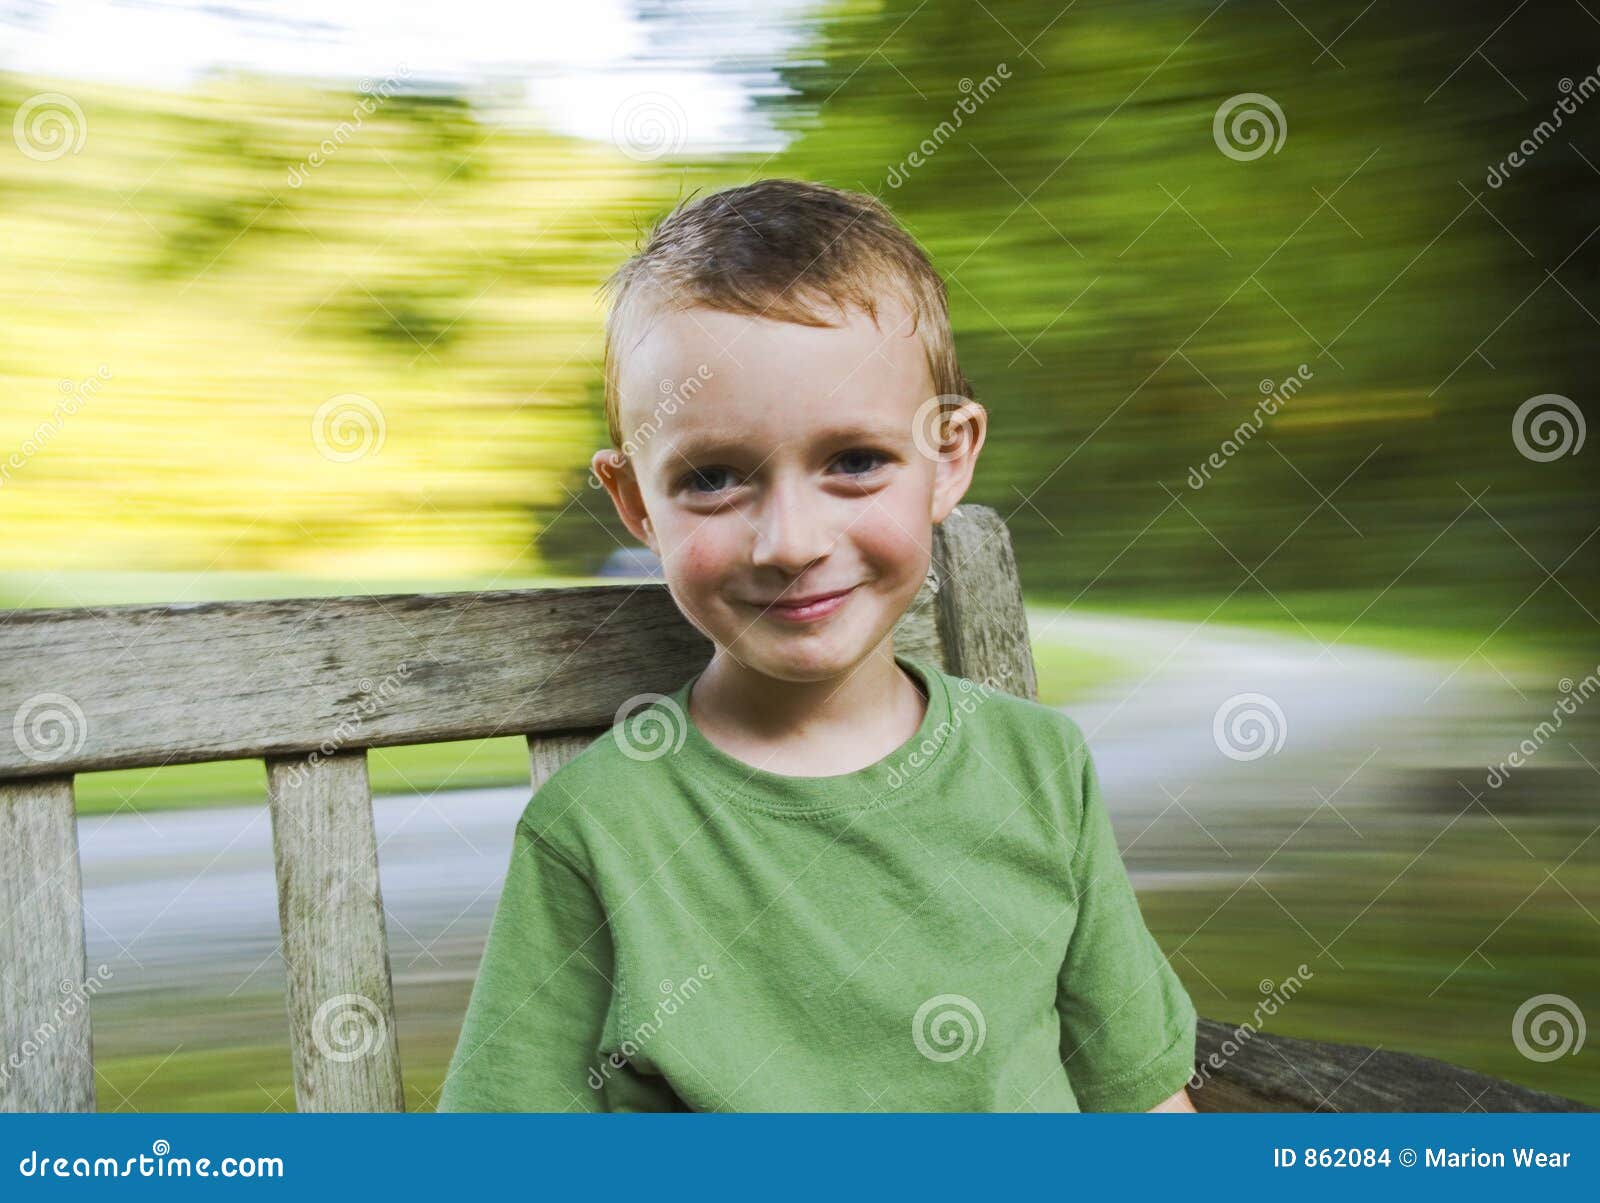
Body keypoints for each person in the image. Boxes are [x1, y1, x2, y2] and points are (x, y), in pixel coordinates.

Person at [436, 178, 1197, 1112]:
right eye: (712, 478)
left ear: (948, 456)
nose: (790, 540)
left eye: (855, 461)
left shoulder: (1040, 770)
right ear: (635, 501)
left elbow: (1143, 1102)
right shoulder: (599, 831)